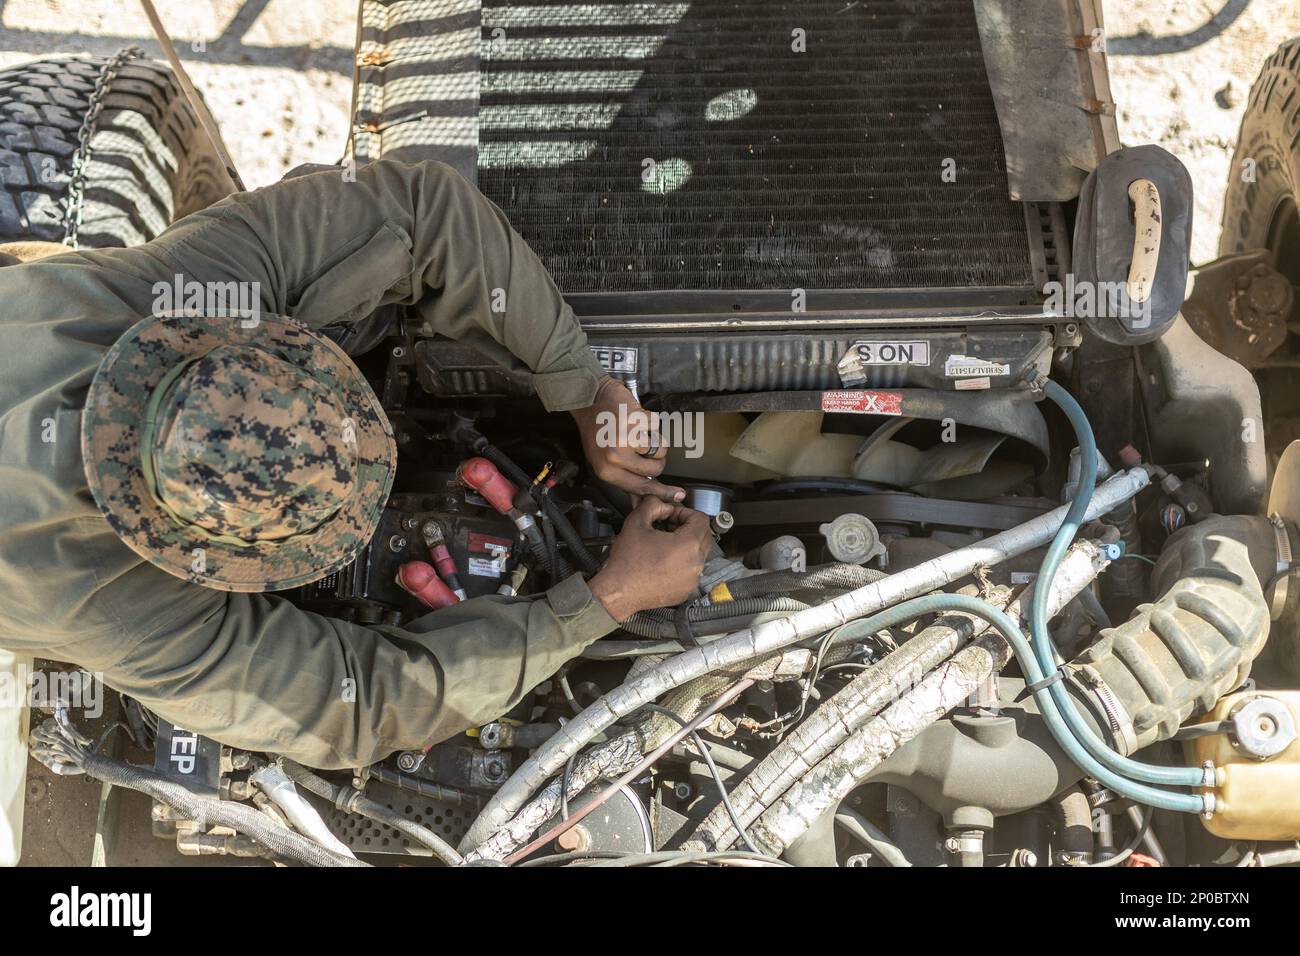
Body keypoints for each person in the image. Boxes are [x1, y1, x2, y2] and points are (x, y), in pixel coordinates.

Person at [0, 160, 713, 768]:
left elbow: (421, 209)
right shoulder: (114, 610)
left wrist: (585, 387)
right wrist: (605, 602)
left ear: (233, 346)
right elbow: (355, 708)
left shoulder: (174, 289)